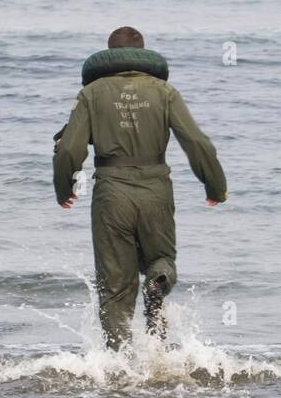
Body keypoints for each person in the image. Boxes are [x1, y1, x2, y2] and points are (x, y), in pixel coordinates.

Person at [53, 26, 227, 349]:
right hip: (156, 190)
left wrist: (64, 188)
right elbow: (197, 142)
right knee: (162, 261)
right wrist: (215, 186)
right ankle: (158, 299)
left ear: (109, 55)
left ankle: (119, 368)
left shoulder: (92, 93)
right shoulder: (164, 92)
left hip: (111, 193)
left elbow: (68, 150)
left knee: (115, 288)